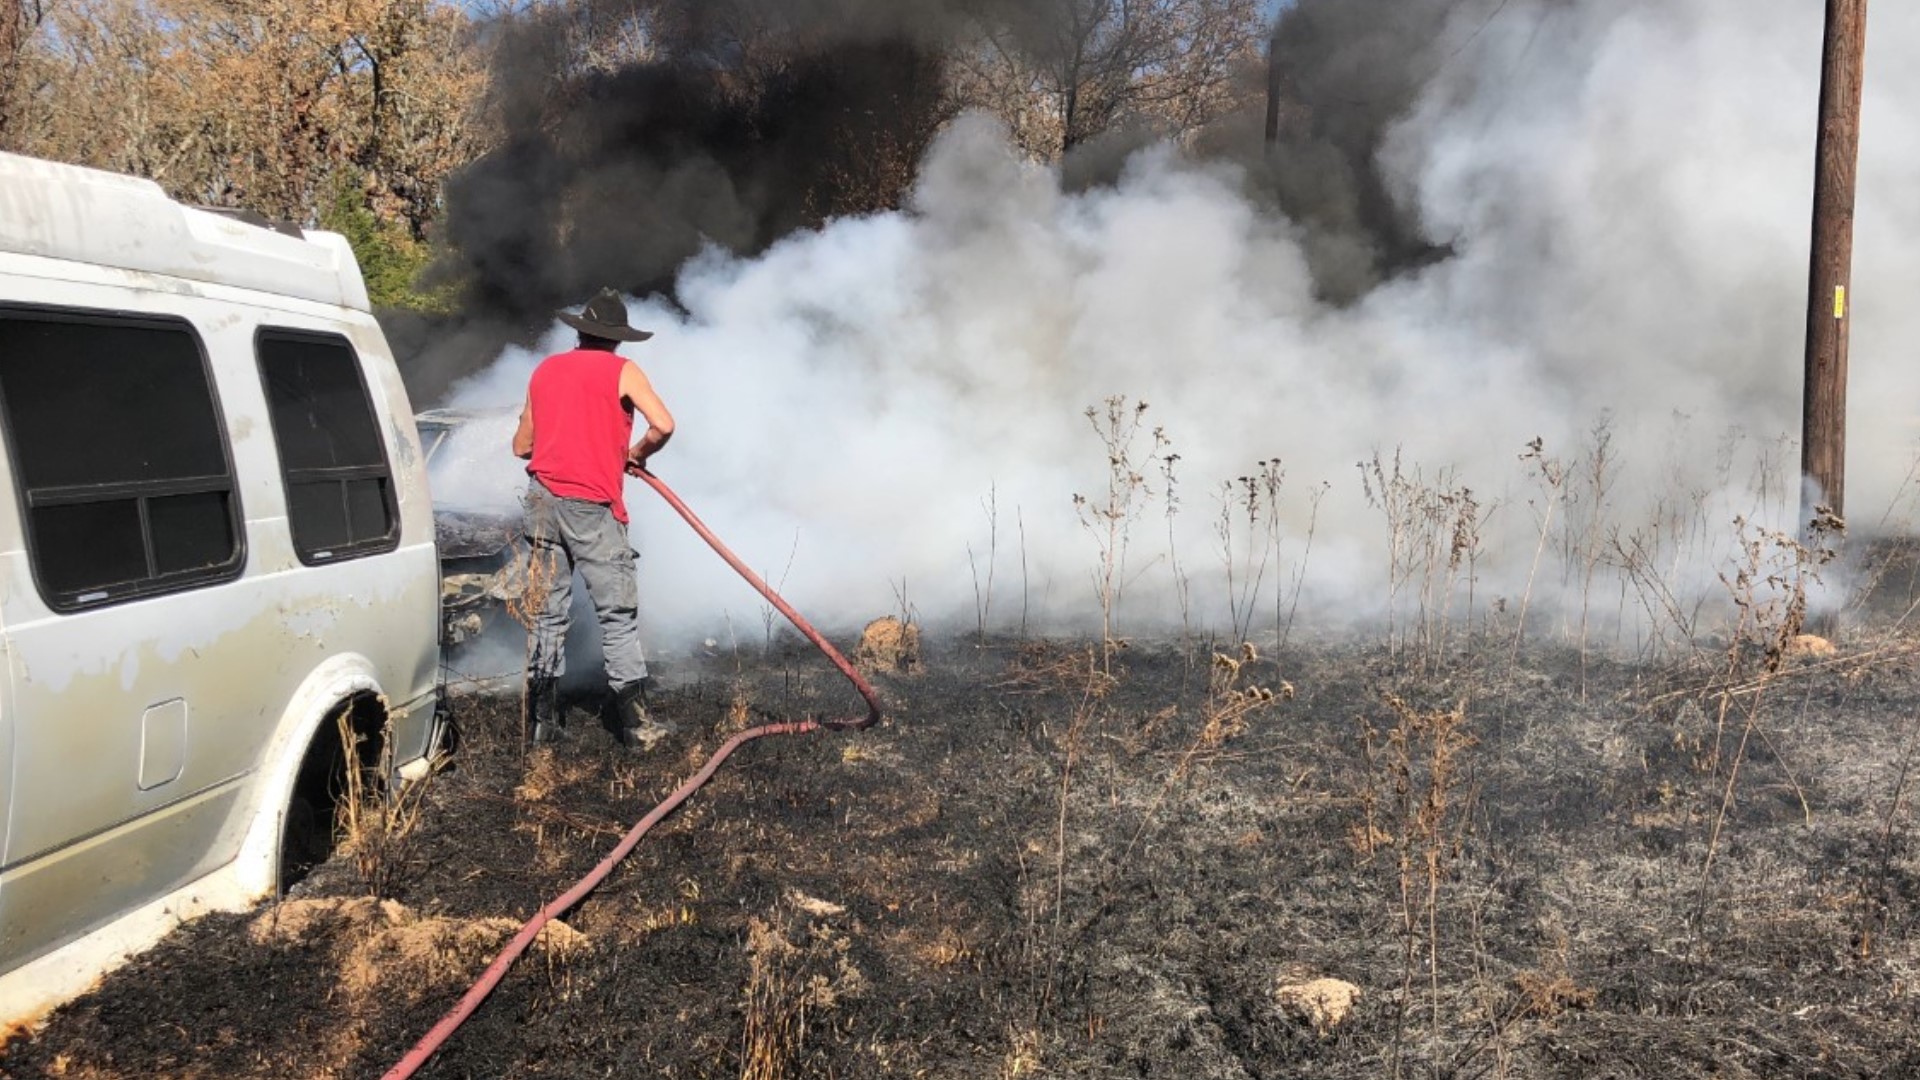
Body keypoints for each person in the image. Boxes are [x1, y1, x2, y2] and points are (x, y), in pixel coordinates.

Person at [512, 288, 675, 749]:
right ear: (618, 340)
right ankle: (638, 729)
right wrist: (636, 453)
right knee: (617, 615)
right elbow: (663, 424)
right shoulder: (623, 370)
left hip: (541, 501)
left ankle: (543, 726)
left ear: (580, 332)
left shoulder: (544, 370)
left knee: (546, 612)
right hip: (592, 507)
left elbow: (521, 446)